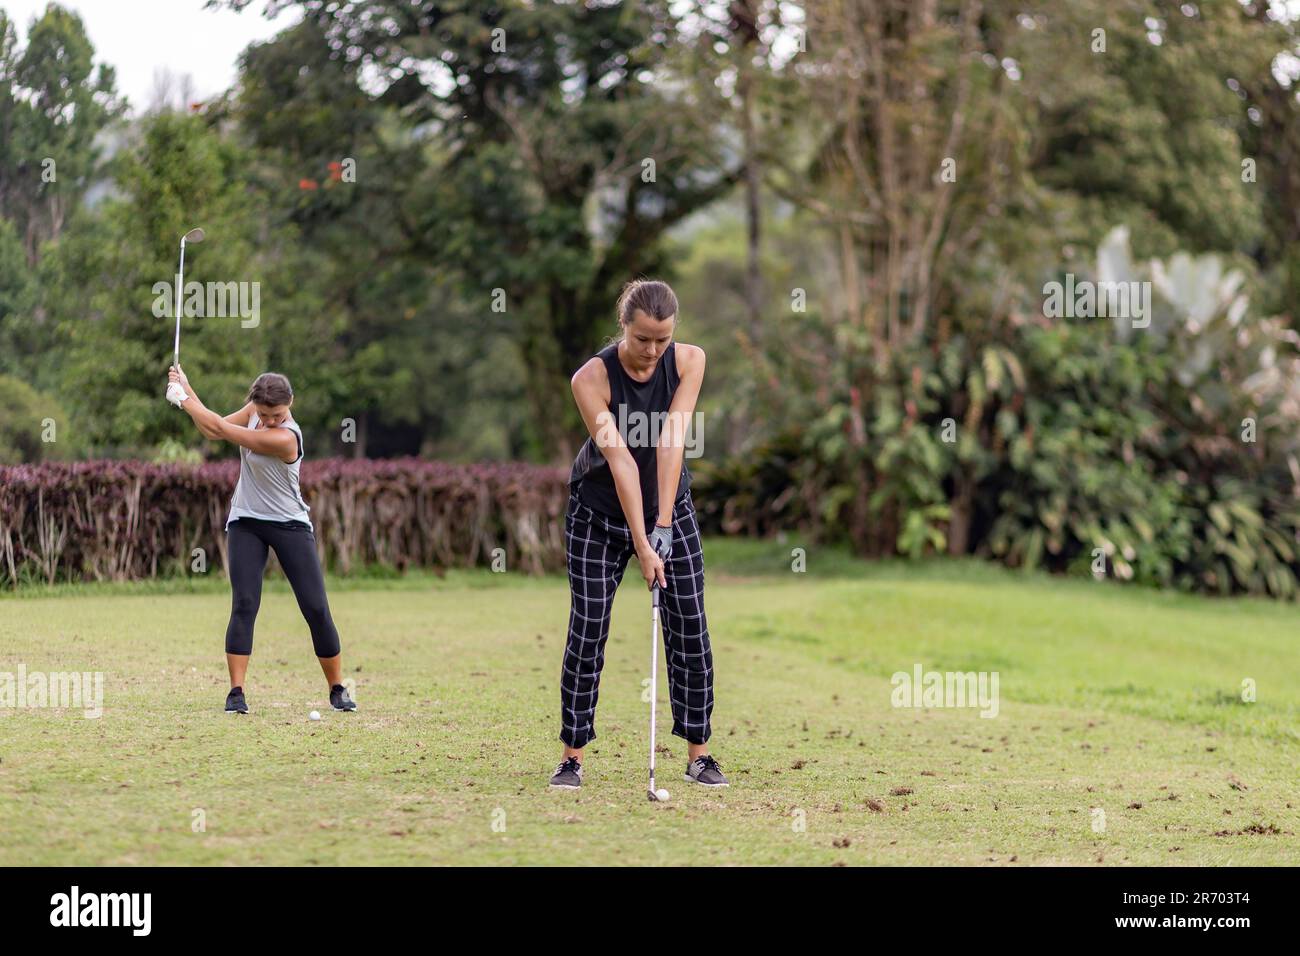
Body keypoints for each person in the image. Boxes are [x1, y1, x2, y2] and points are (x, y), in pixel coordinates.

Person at [550, 279, 727, 789]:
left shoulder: (690, 361)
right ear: (622, 326)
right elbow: (623, 461)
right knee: (588, 629)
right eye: (642, 339)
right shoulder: (591, 379)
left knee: (690, 625)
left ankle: (699, 755)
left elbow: (673, 441)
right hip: (598, 513)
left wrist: (664, 525)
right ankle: (572, 756)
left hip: (671, 507)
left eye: (662, 340)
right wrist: (643, 544)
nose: (652, 351)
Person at [166, 366, 356, 715]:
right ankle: (236, 693)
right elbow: (212, 429)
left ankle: (338, 688)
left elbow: (222, 428)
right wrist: (187, 389)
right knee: (245, 603)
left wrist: (184, 402)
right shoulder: (254, 411)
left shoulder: (287, 438)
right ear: (254, 404)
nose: (269, 421)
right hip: (246, 521)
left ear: (290, 405)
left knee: (315, 607)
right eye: (264, 414)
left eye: (277, 415)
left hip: (290, 525)